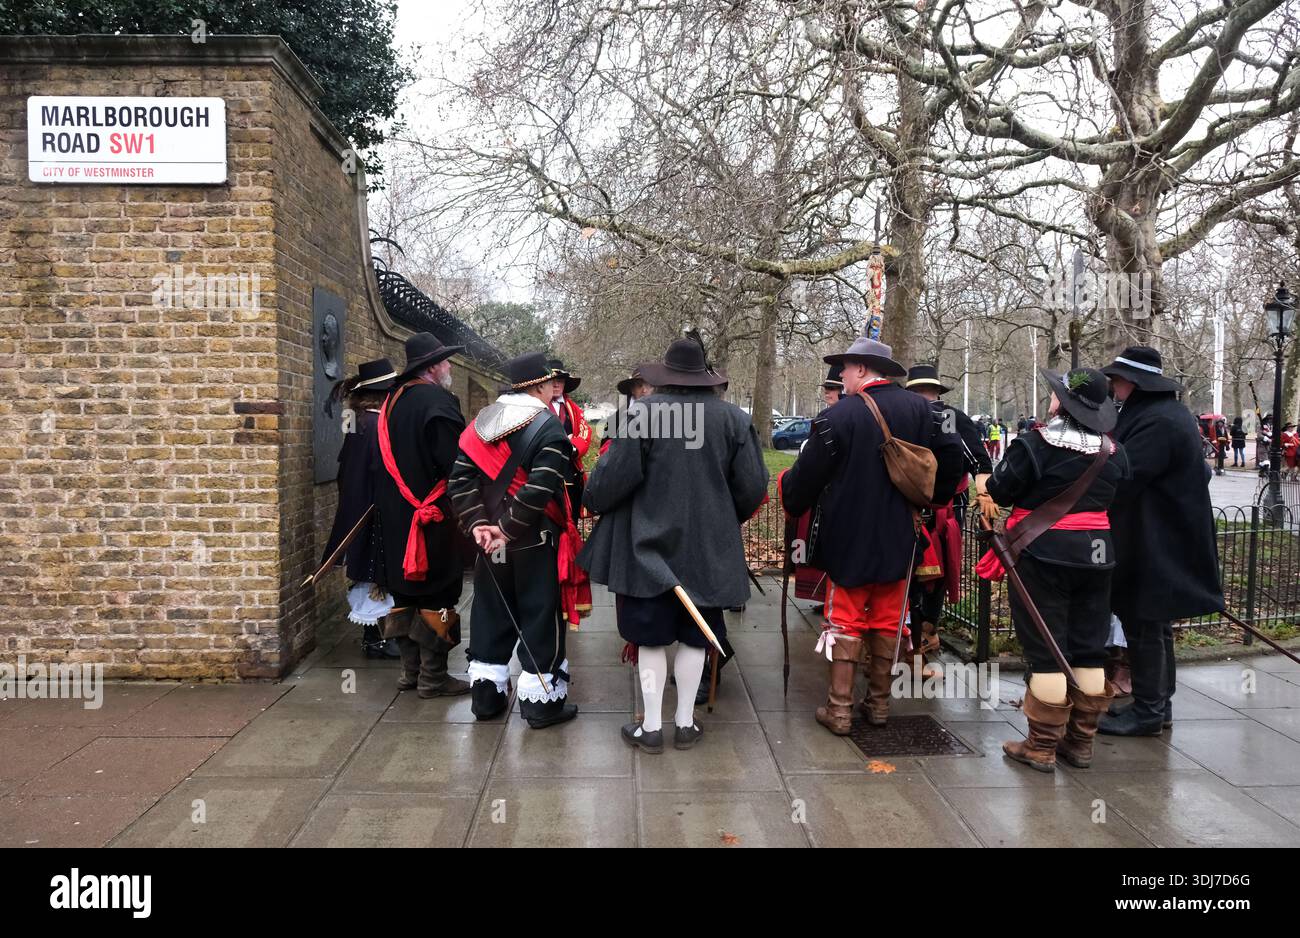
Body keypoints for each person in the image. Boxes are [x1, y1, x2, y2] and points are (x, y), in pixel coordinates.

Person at [581, 338, 768, 752]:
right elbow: (754, 487)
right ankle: (685, 723)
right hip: (707, 550)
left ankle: (650, 727)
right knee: (696, 635)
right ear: (705, 379)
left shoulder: (641, 415)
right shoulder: (735, 420)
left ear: (665, 376)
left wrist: (592, 498)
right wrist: (721, 517)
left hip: (645, 548)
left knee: (648, 638)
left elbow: (613, 479)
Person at [779, 337, 962, 735]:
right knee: (889, 619)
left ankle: (839, 709)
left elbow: (805, 478)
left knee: (843, 619)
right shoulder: (926, 410)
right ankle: (878, 705)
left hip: (849, 537)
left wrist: (789, 494)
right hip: (903, 534)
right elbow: (956, 460)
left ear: (862, 369)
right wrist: (933, 500)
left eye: (844, 368)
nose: (841, 375)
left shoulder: (838, 416)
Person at [976, 367, 1130, 772]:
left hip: (1043, 553)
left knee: (1046, 651)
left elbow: (1001, 489)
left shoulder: (1035, 444)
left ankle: (1042, 746)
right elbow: (1121, 494)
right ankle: (1080, 744)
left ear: (1062, 402)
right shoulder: (1113, 450)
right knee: (1089, 649)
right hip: (1099, 557)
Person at [1097, 346, 1223, 736]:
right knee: (1150, 622)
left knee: (1145, 622)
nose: (1113, 386)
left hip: (1156, 539)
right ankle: (1156, 704)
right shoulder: (1159, 414)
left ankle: (1150, 711)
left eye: (1117, 380)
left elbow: (1126, 474)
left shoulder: (1160, 420)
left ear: (1133, 382)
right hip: (1156, 535)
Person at [374, 334, 472, 699]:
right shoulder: (439, 402)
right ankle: (434, 678)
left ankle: (409, 673)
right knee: (440, 594)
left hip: (396, 516)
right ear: (432, 367)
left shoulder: (392, 401)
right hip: (431, 517)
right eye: (445, 362)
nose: (448, 367)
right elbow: (457, 464)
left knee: (403, 593)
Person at [905, 364, 993, 677]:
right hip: (913, 507)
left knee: (931, 578)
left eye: (923, 392)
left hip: (942, 511)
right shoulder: (905, 417)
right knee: (916, 577)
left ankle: (924, 638)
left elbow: (977, 460)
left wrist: (985, 492)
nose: (922, 396)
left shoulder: (951, 418)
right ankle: (910, 642)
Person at [320, 358, 399, 659]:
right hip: (372, 510)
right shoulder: (369, 424)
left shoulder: (367, 421)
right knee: (373, 574)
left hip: (373, 508)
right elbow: (362, 474)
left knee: (377, 573)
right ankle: (376, 639)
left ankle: (379, 636)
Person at [546, 359, 592, 511]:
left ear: (565, 383)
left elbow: (585, 434)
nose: (556, 384)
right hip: (544, 472)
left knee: (572, 517)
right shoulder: (536, 407)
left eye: (560, 380)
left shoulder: (574, 409)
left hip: (570, 473)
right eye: (552, 380)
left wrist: (571, 448)